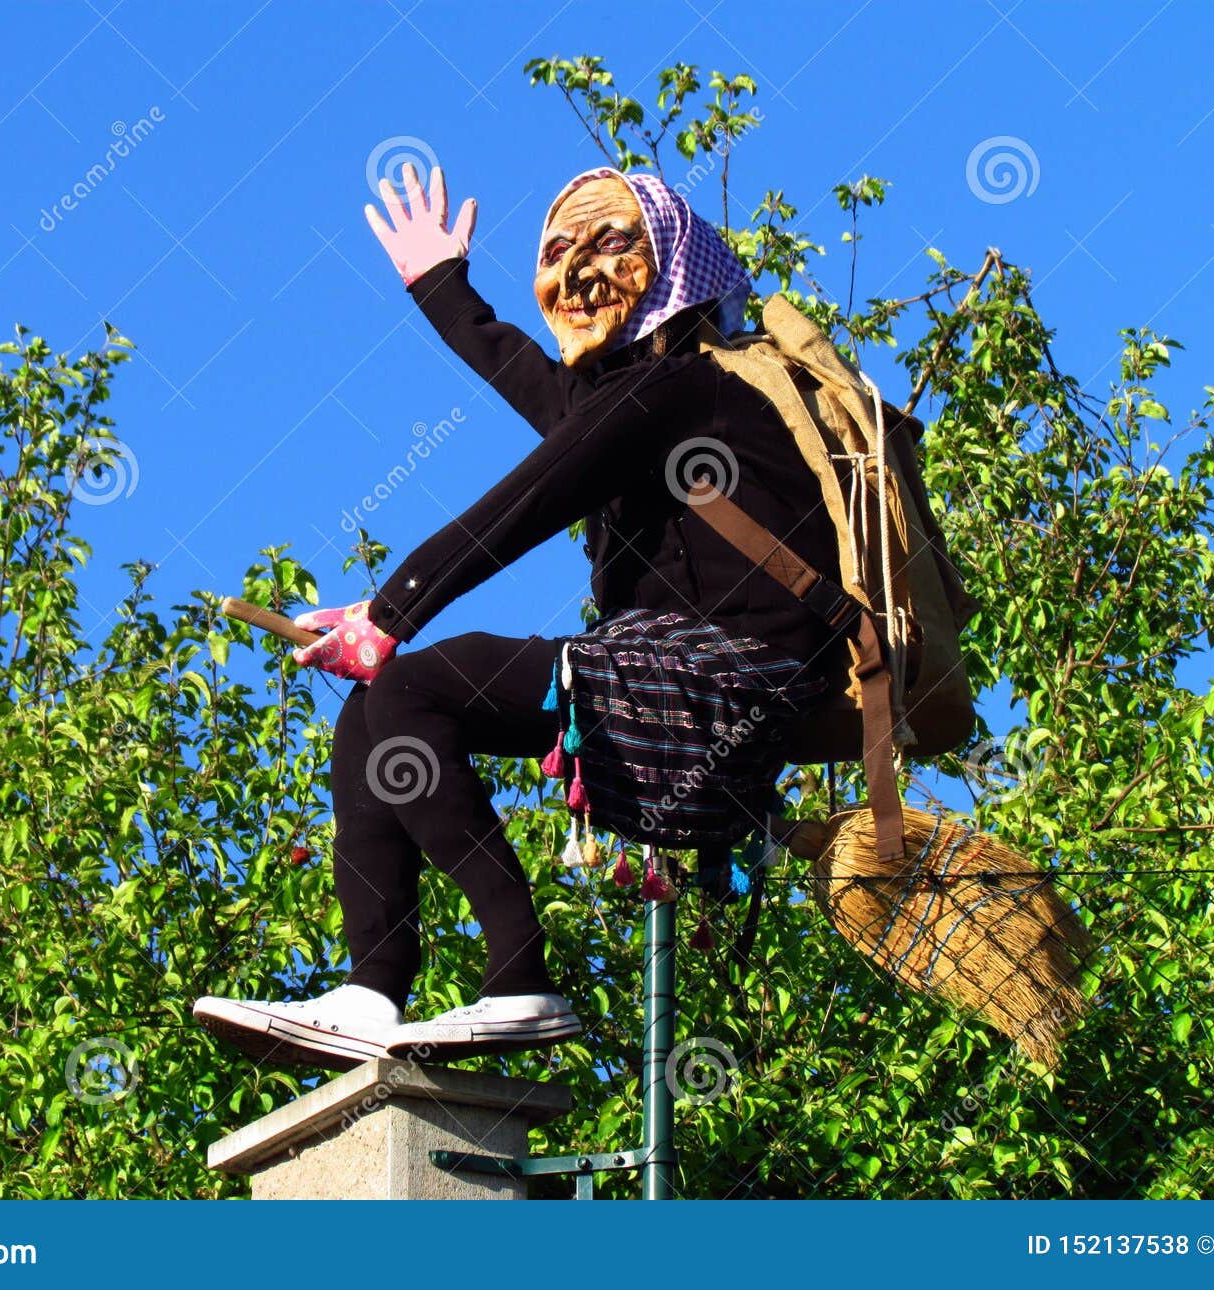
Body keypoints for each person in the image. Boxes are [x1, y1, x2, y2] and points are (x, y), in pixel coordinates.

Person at [194, 161, 846, 1069]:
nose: (580, 266)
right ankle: (372, 991)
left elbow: (531, 497)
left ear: (676, 265)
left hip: (736, 684)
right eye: (560, 249)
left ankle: (519, 980)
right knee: (375, 715)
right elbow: (531, 383)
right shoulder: (636, 401)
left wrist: (392, 612)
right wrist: (439, 286)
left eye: (611, 240)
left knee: (417, 683)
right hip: (678, 678)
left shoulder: (696, 389)